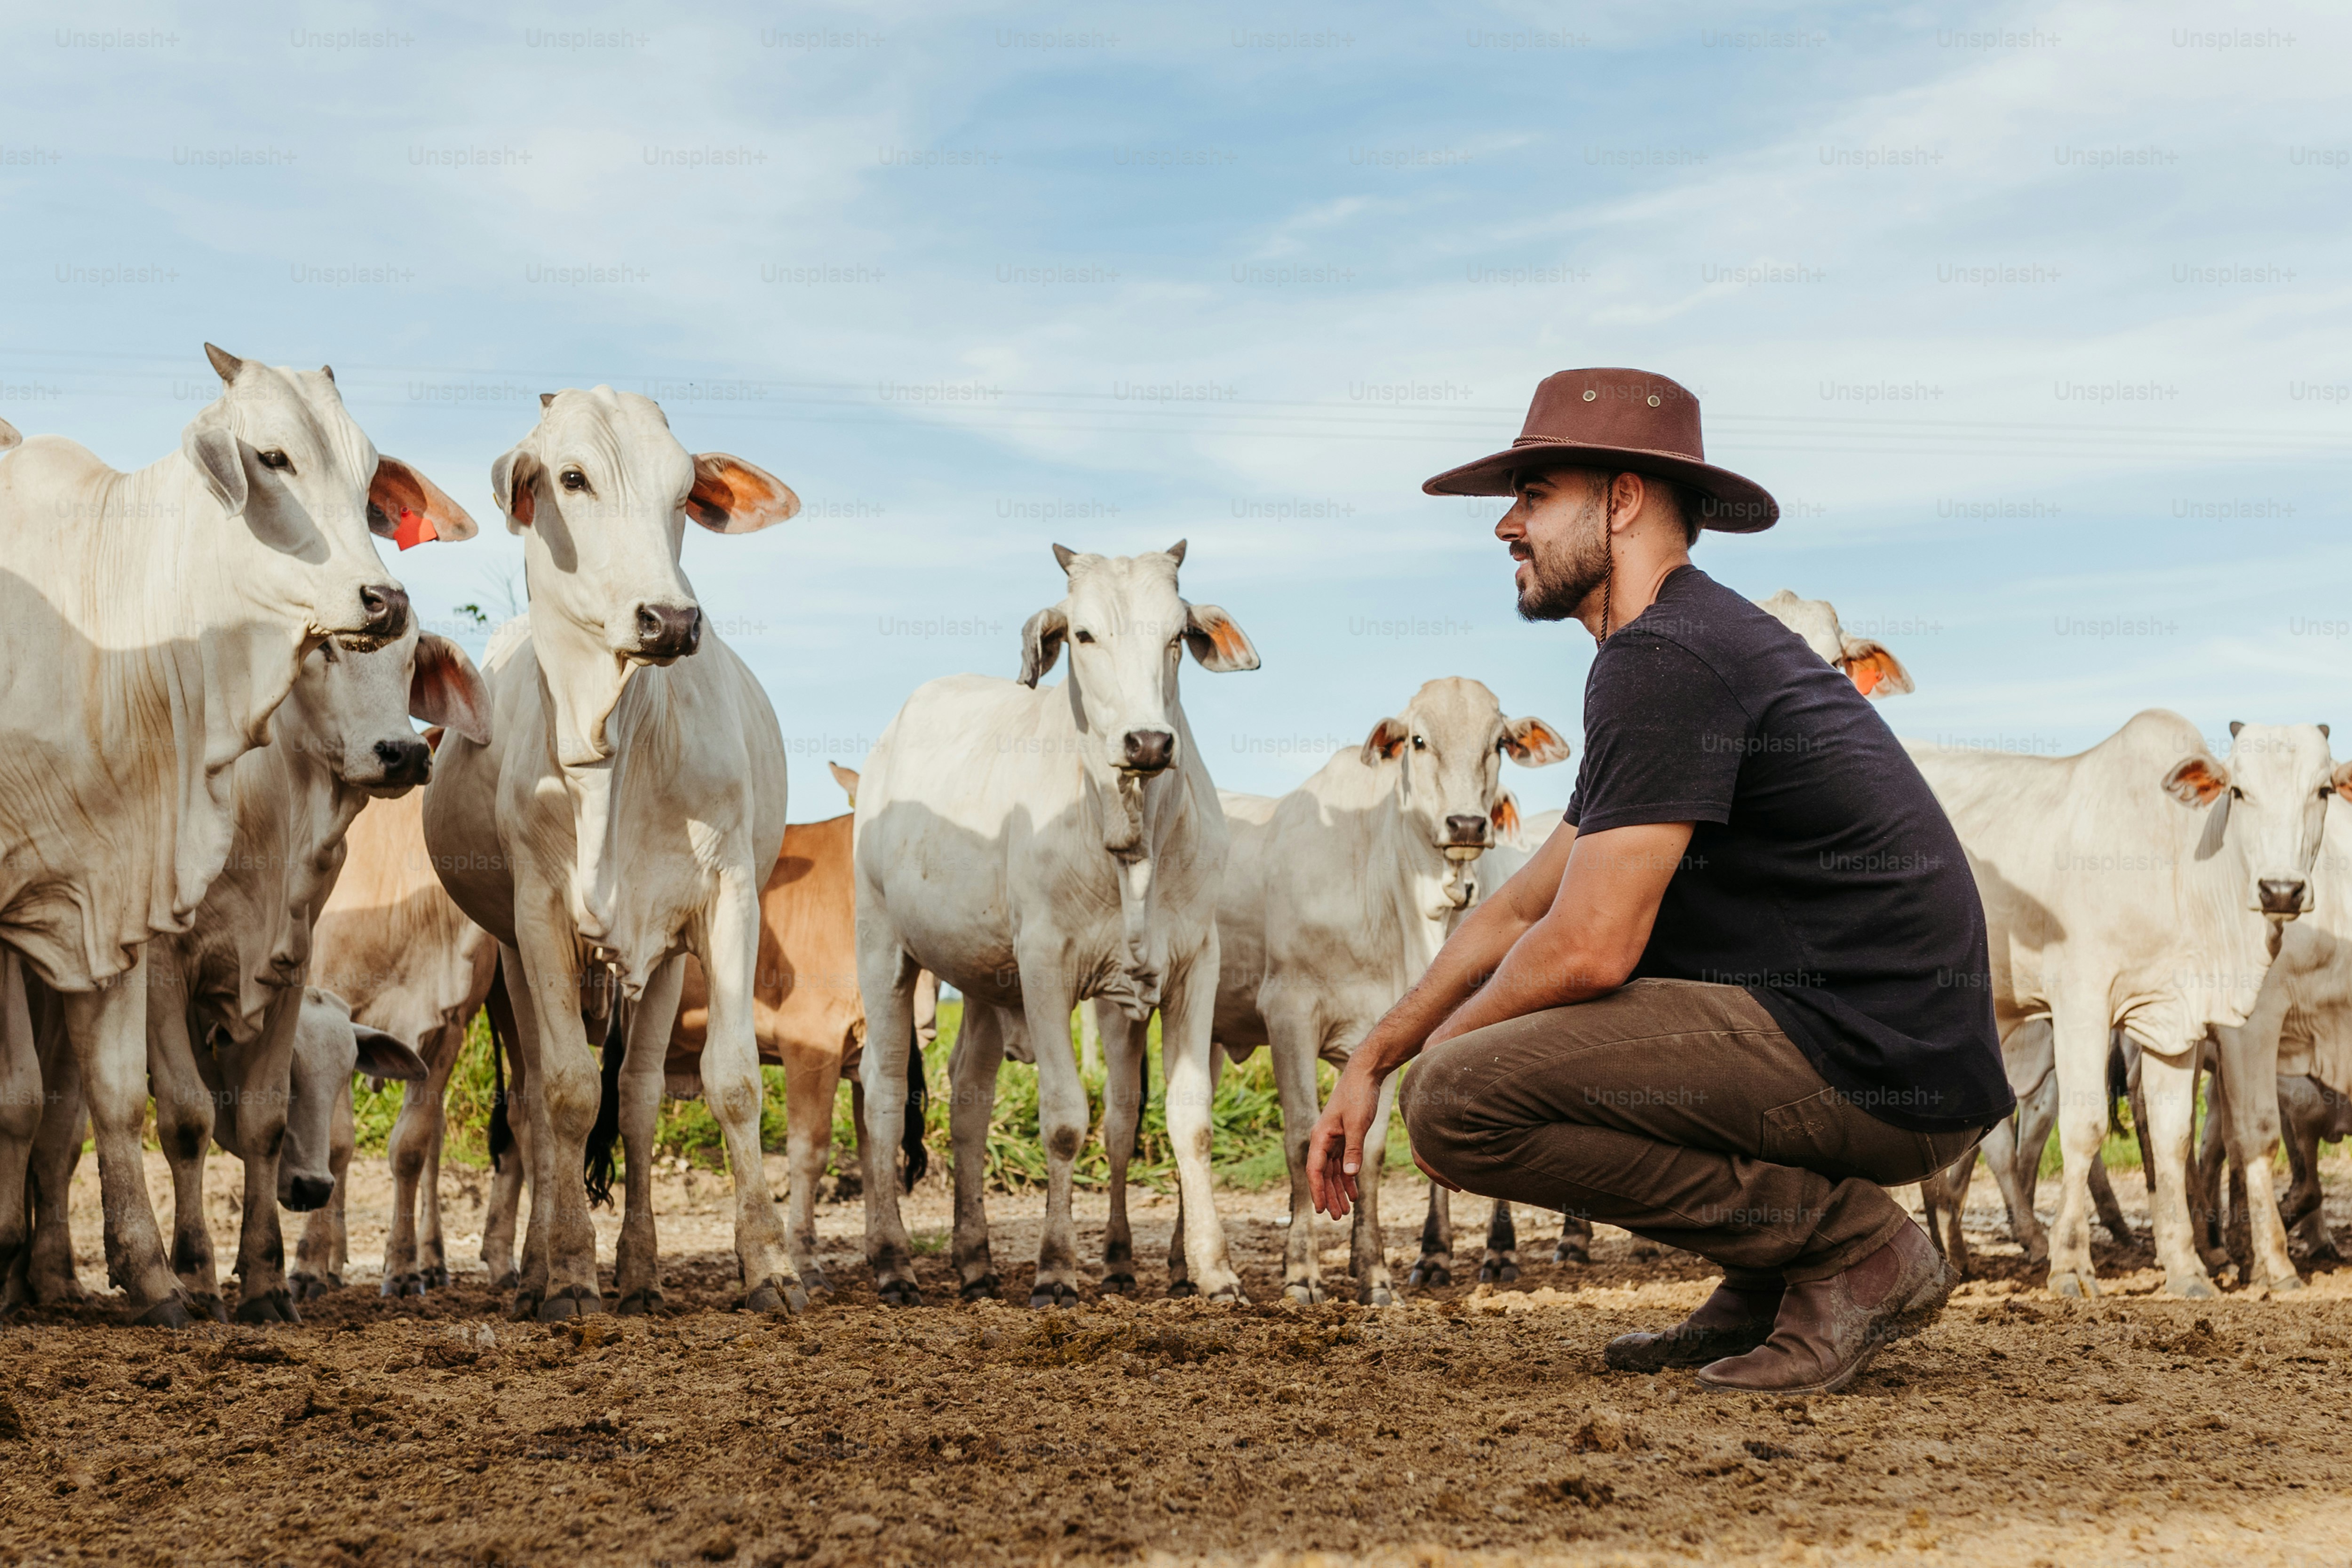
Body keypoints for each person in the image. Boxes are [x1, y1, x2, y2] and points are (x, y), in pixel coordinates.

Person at [1303, 368, 2012, 1395]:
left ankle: (1846, 1246)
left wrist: (1442, 1058)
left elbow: (1588, 944)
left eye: (1535, 491)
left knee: (1458, 1102)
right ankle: (1769, 1273)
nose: (1507, 524)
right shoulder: (1680, 647)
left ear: (1622, 499)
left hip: (1872, 1058)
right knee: (1444, 1072)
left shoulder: (1667, 655)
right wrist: (1374, 1055)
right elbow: (1520, 904)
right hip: (1879, 1046)